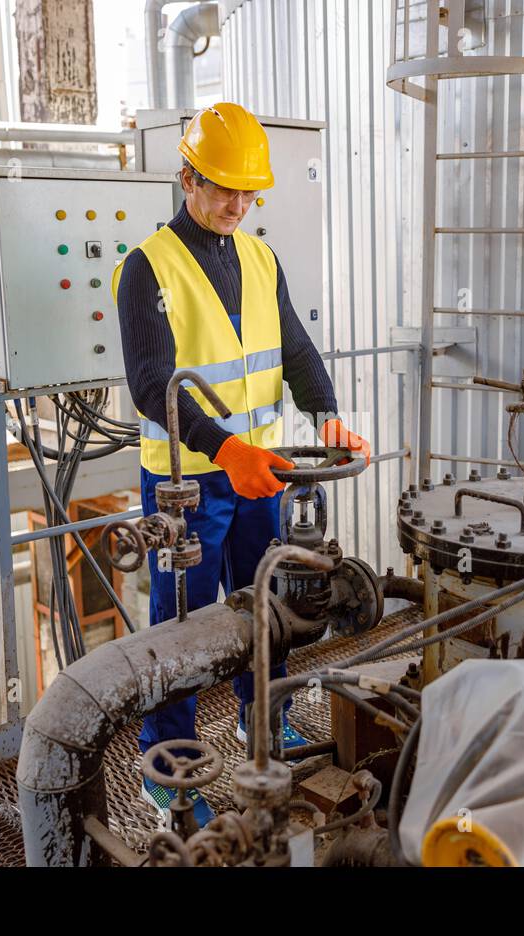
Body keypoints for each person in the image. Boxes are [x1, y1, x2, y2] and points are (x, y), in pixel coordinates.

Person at [113, 102, 370, 825]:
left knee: (271, 604)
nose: (236, 203)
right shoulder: (146, 269)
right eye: (222, 186)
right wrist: (226, 451)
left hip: (262, 472)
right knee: (183, 624)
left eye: (247, 190)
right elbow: (150, 382)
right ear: (187, 177)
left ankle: (266, 720)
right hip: (188, 483)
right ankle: (166, 761)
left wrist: (329, 419)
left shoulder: (258, 256)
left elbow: (293, 348)